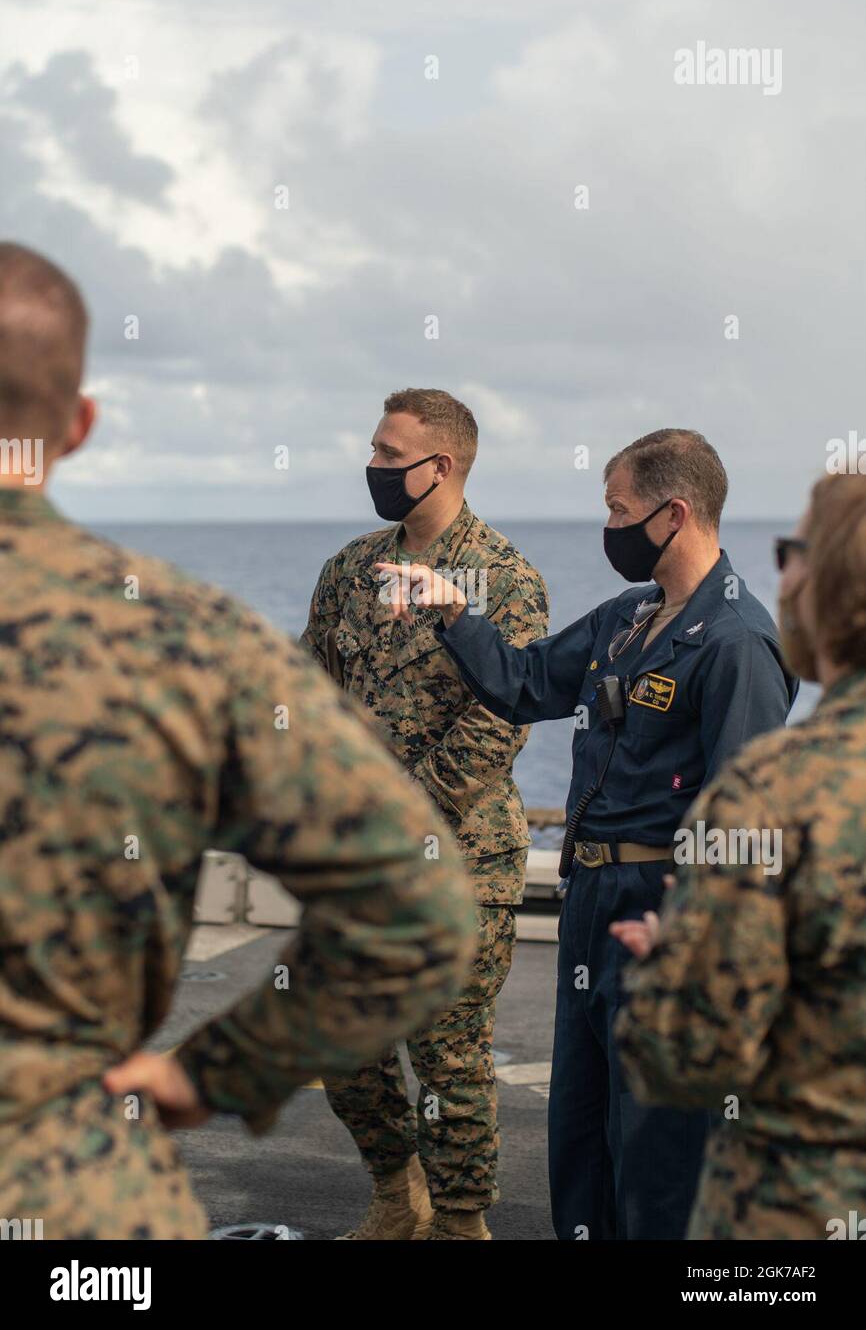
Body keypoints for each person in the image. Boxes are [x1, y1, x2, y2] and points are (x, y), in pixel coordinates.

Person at [0, 244, 476, 1240]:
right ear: (79, 426)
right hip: (67, 1192)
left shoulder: (493, 574)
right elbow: (415, 910)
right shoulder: (179, 635)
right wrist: (208, 1075)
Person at [377, 428, 797, 1240]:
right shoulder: (629, 617)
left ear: (675, 514)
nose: (608, 527)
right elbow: (528, 681)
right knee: (581, 1132)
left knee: (658, 1149)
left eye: (618, 509)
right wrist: (454, 610)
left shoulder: (739, 642)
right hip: (592, 897)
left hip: (661, 910)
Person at [302, 387, 548, 1240]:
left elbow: (501, 720)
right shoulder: (349, 570)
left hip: (461, 860)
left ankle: (459, 1223)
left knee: (448, 1057)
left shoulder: (505, 579)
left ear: (438, 466)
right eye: (371, 451)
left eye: (385, 454)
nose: (370, 468)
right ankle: (392, 1193)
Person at [613, 472, 866, 1239]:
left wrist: (675, 960)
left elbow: (686, 1058)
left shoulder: (775, 792)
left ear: (826, 587)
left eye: (792, 552)